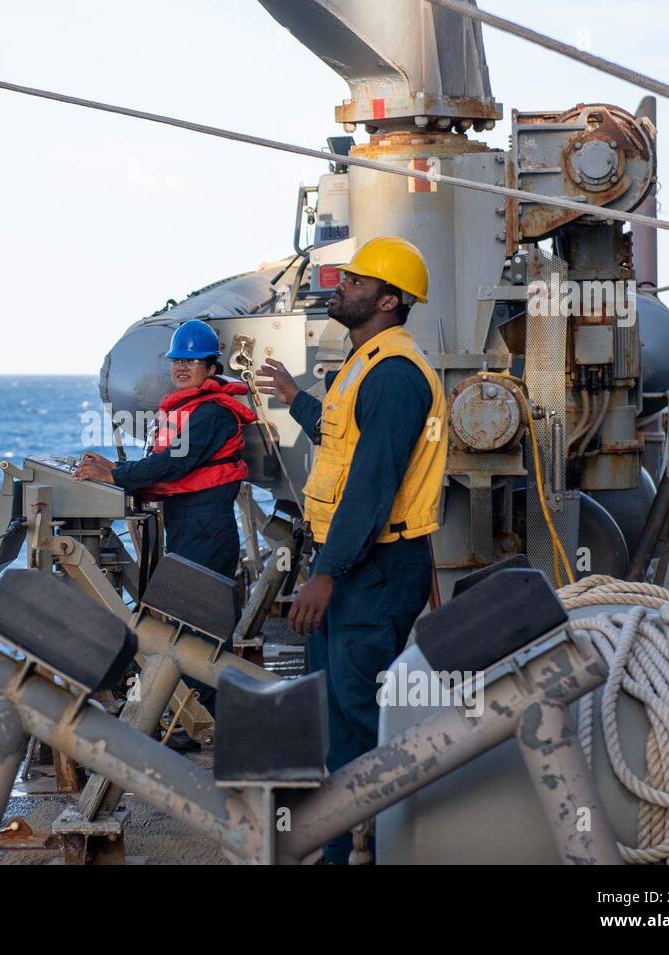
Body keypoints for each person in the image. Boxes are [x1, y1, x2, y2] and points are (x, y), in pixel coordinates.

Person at [255, 236, 445, 864]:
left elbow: (372, 484)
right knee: (335, 710)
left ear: (388, 300)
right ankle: (341, 845)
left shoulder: (393, 375)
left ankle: (373, 848)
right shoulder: (366, 364)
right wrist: (293, 397)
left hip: (374, 568)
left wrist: (327, 574)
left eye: (357, 282)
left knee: (360, 712)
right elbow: (341, 439)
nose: (342, 285)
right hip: (351, 563)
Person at [74, 319, 256, 720]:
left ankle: (221, 719)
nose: (182, 367)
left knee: (195, 632)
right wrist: (116, 468)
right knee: (188, 625)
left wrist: (116, 476)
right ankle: (208, 715)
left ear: (212, 368)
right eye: (178, 360)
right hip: (193, 526)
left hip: (205, 528)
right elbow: (164, 462)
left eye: (193, 361)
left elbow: (174, 464)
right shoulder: (190, 410)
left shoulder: (210, 414)